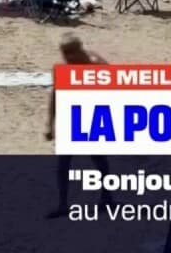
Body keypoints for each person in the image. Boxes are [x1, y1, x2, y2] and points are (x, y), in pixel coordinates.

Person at [45, 34, 112, 219]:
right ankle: (63, 204)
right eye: (64, 54)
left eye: (69, 53)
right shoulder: (65, 68)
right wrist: (50, 124)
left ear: (79, 50)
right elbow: (55, 95)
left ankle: (107, 198)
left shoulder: (97, 66)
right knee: (63, 164)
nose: (66, 57)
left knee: (100, 161)